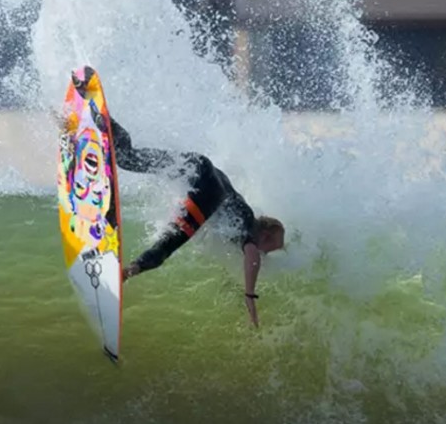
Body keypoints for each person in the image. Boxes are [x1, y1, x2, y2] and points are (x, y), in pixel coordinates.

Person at [72, 73, 286, 327]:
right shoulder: (248, 230)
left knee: (127, 158)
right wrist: (250, 297)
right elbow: (252, 255)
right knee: (168, 245)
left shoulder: (243, 215)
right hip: (207, 190)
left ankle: (96, 110)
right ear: (268, 233)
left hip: (198, 165)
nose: (267, 251)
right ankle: (125, 274)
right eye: (273, 245)